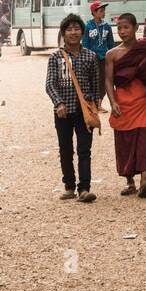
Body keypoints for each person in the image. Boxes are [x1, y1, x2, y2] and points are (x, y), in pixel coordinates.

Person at [104, 13, 146, 198]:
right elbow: (108, 81)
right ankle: (130, 181)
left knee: (144, 141)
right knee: (124, 143)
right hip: (123, 104)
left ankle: (144, 181)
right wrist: (113, 102)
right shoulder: (112, 54)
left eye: (126, 27)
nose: (123, 32)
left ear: (135, 28)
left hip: (142, 101)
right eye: (119, 28)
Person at [45, 13, 102, 203]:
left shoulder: (90, 56)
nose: (73, 32)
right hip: (63, 112)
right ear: (63, 33)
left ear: (82, 32)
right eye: (69, 29)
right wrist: (58, 103)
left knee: (85, 150)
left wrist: (95, 105)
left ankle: (84, 189)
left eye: (77, 29)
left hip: (85, 112)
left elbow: (96, 84)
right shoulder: (55, 57)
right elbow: (50, 84)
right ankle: (69, 186)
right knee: (66, 149)